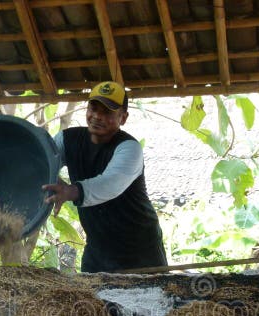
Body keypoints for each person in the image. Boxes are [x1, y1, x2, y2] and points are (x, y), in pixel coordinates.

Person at [42, 81, 168, 273]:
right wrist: (50, 180)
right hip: (97, 249)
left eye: (107, 112)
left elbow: (109, 183)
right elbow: (43, 163)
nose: (97, 116)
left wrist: (69, 191)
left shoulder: (129, 148)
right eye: (93, 108)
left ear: (123, 118)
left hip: (140, 251)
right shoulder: (67, 139)